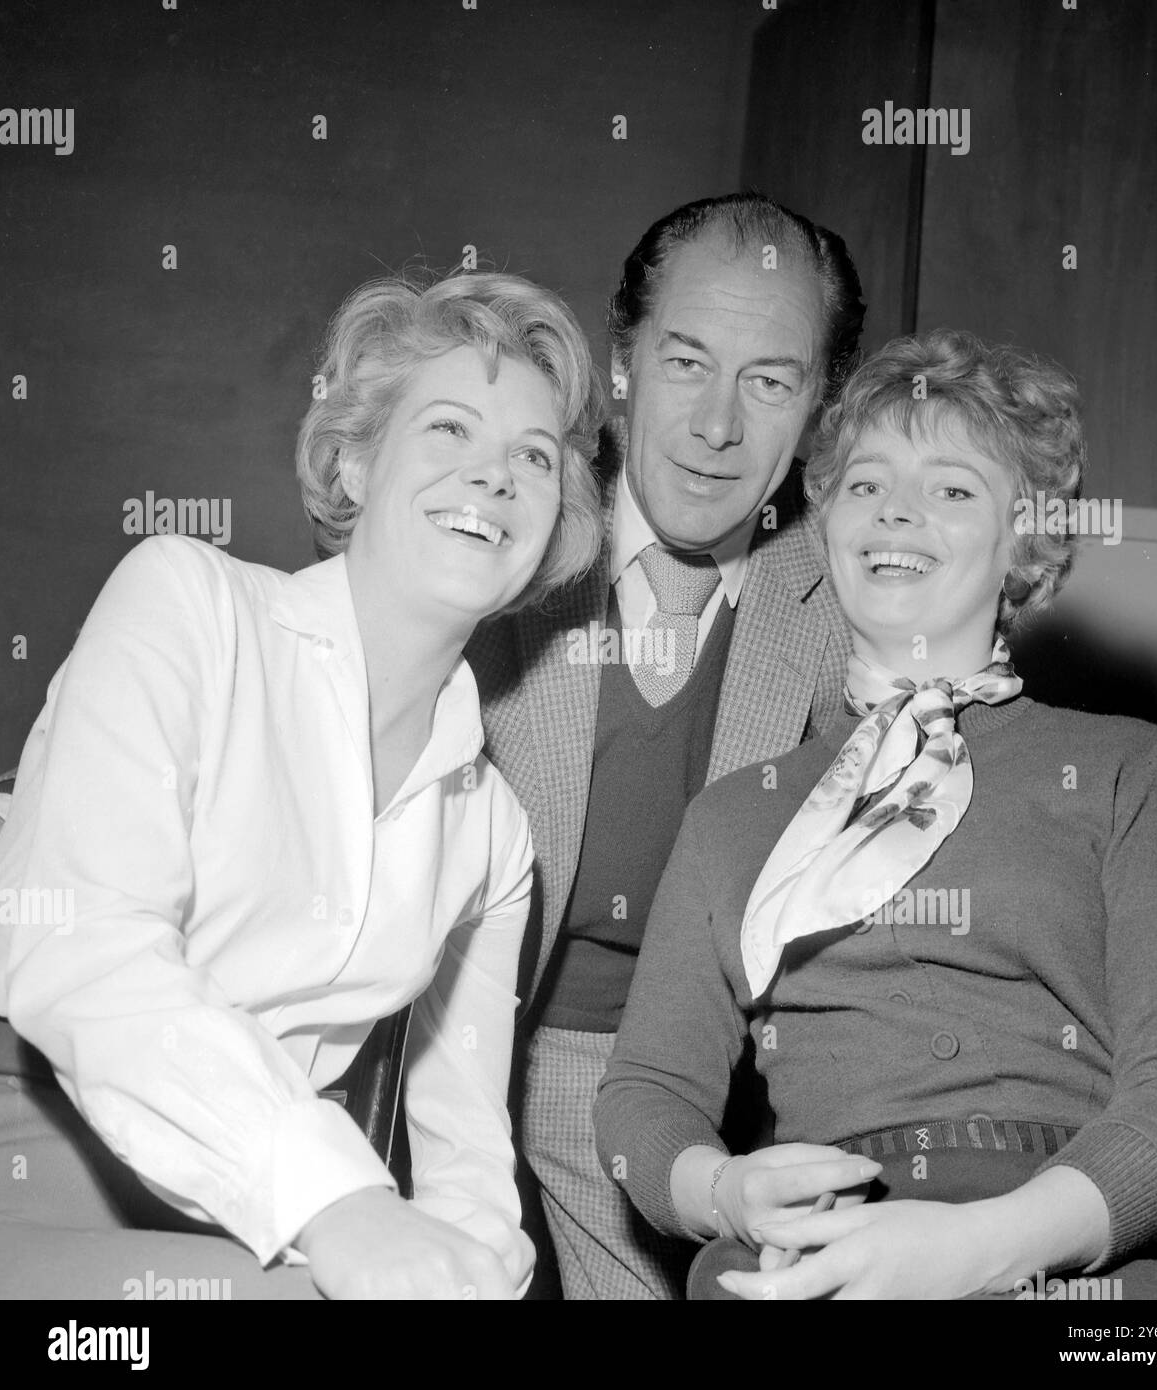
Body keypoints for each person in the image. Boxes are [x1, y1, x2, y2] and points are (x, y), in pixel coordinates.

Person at [594, 328, 1157, 1300]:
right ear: (825, 526)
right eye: (865, 483)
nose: (897, 508)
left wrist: (986, 1248)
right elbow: (645, 1095)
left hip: (1104, 1275)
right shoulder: (734, 818)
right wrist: (729, 1192)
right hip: (814, 1266)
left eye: (951, 487)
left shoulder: (1133, 773)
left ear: (1022, 539)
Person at [0, 269, 603, 1300]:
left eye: (533, 457)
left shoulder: (493, 832)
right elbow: (80, 948)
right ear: (356, 463)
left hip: (262, 1224)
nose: (495, 477)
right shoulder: (187, 603)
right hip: (36, 1131)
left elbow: (463, 1141)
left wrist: (481, 1273)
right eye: (449, 430)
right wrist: (337, 1206)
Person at [466, 192, 865, 1298]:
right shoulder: (499, 522)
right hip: (433, 1042)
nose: (718, 426)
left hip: (651, 1082)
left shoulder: (850, 599)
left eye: (771, 381)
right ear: (622, 356)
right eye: (686, 362)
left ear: (819, 406)